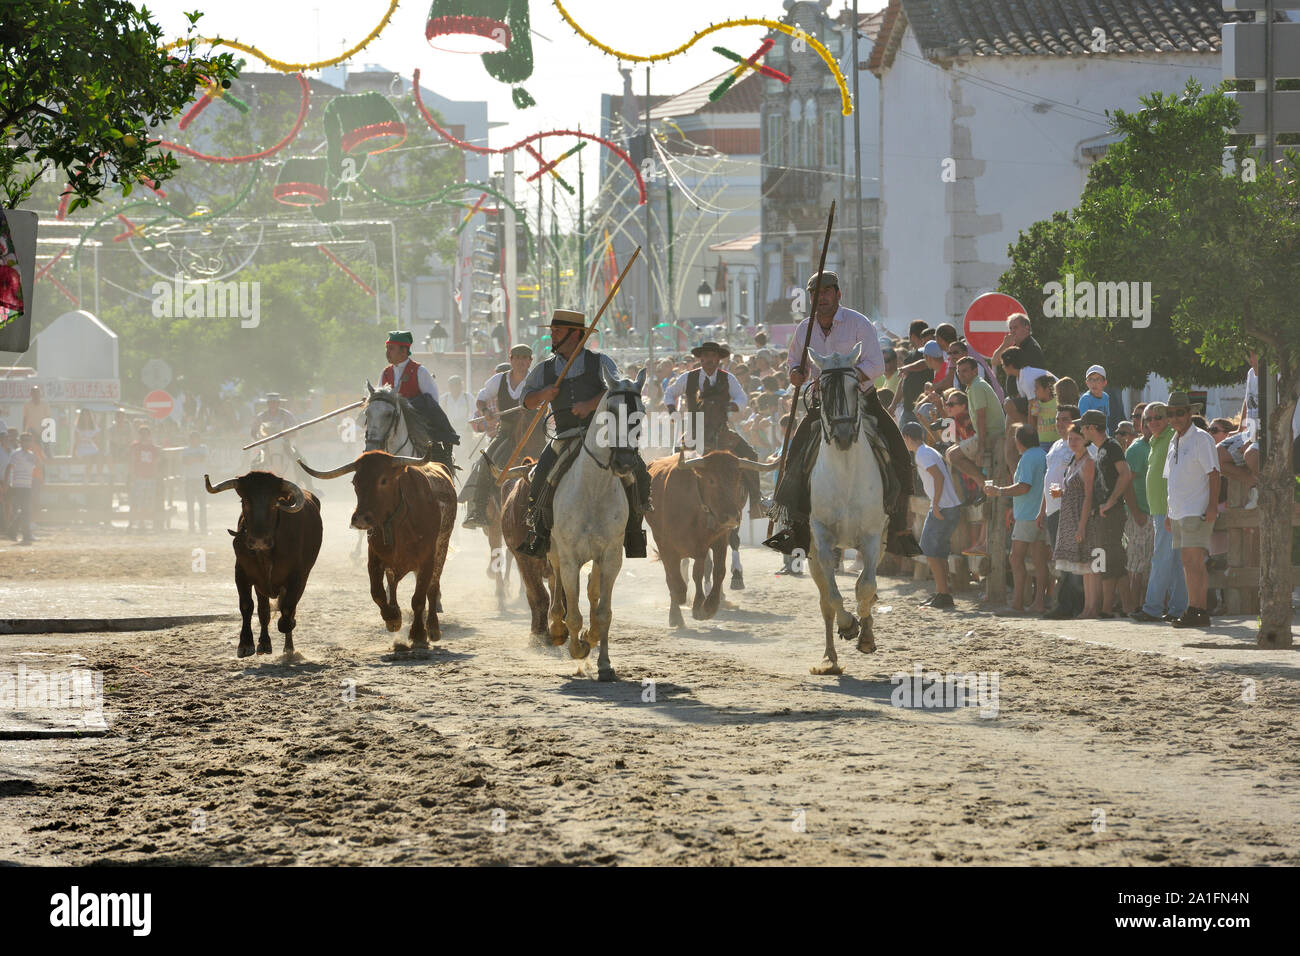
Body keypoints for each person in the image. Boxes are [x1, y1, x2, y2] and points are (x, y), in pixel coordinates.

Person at [764, 271, 920, 559]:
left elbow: (875, 365)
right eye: (815, 294)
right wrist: (795, 375)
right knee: (795, 455)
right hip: (822, 404)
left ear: (838, 294)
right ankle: (796, 529)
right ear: (810, 298)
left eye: (826, 292)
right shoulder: (804, 329)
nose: (821, 298)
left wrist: (844, 380)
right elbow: (794, 365)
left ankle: (899, 528)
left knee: (897, 449)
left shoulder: (858, 323)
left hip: (861, 399)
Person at [518, 310, 652, 559]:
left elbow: (619, 389)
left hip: (601, 435)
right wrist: (542, 395)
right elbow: (526, 400)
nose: (552, 335)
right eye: (552, 330)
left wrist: (590, 405)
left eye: (557, 331)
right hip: (564, 436)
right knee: (540, 477)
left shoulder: (601, 362)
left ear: (575, 334)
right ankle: (539, 533)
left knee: (639, 472)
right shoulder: (544, 369)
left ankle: (634, 531)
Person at [664, 340, 760, 589]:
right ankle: (664, 503)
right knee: (676, 463)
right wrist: (674, 413)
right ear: (700, 358)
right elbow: (669, 393)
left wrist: (731, 405)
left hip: (720, 429)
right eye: (705, 357)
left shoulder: (728, 378)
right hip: (694, 431)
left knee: (750, 455)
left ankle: (757, 502)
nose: (708, 360)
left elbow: (743, 398)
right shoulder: (688, 377)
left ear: (719, 359)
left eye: (713, 357)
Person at [1162, 392, 1220, 629]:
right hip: (1178, 511)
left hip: (1196, 509)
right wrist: (1168, 511)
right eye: (1171, 414)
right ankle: (1196, 609)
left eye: (1179, 412)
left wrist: (1212, 506)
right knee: (1189, 562)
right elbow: (1170, 478)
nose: (1175, 418)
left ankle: (1198, 609)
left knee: (1194, 561)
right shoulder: (1173, 440)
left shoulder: (1201, 439)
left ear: (1189, 413)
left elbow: (1214, 473)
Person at [463, 345, 535, 529]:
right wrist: (486, 411)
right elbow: (481, 399)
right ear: (510, 359)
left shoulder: (534, 380)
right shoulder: (499, 380)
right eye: (517, 357)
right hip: (506, 432)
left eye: (525, 358)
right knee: (486, 463)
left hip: (531, 432)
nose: (521, 361)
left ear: (530, 361)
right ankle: (477, 510)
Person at [1132, 402, 1187, 622]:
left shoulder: (1172, 439)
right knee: (1173, 562)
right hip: (1160, 510)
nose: (1153, 422)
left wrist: (1169, 509)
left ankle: (1152, 607)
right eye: (1148, 419)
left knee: (1161, 559)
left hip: (1168, 510)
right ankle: (1178, 608)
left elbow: (1174, 477)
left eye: (1158, 417)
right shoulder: (1156, 441)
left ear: (1167, 418)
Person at [987, 425, 1049, 613]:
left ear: (1018, 441)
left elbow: (1024, 487)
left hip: (1027, 515)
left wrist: (999, 491)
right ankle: (1039, 602)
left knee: (1016, 558)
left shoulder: (1028, 458)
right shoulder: (1044, 454)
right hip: (1041, 514)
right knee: (1040, 561)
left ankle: (1018, 602)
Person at [379, 330, 459, 467]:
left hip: (416, 424)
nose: (387, 352)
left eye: (391, 348)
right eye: (387, 348)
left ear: (404, 351)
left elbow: (432, 402)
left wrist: (411, 409)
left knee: (434, 451)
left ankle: (444, 464)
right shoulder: (385, 373)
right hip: (392, 424)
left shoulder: (420, 371)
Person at [904, 422, 961, 610]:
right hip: (948, 506)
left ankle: (943, 593)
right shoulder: (928, 451)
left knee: (929, 550)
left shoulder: (922, 453)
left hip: (942, 506)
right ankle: (942, 593)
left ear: (907, 438)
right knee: (939, 552)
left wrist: (935, 503)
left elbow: (938, 477)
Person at [1080, 408, 1131, 616]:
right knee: (1112, 561)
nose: (1081, 430)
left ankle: (1112, 607)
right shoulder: (1100, 449)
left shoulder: (1111, 446)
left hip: (1112, 513)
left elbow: (1125, 474)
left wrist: (1110, 502)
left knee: (1113, 560)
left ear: (1092, 428)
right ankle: (1116, 607)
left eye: (1083, 427)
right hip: (1104, 514)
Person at [1052, 422, 1101, 618]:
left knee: (1090, 565)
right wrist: (1061, 493)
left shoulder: (1088, 462)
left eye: (1077, 439)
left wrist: (1082, 525)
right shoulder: (1074, 461)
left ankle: (1092, 607)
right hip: (1070, 515)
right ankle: (1087, 607)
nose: (1072, 442)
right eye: (1070, 438)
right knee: (1083, 566)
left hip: (1083, 516)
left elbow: (1089, 494)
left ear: (1085, 440)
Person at [1040, 405, 1083, 619]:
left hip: (1068, 510)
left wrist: (1062, 498)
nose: (1059, 423)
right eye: (1057, 419)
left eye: (1065, 419)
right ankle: (1063, 603)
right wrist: (1042, 510)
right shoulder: (1056, 445)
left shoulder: (1078, 446)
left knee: (1070, 558)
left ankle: (1070, 605)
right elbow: (1049, 479)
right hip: (1052, 509)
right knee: (1060, 559)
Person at [944, 356, 1007, 489]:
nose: (961, 374)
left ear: (975, 371)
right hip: (989, 433)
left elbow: (981, 417)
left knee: (953, 456)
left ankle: (984, 485)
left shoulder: (977, 386)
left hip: (992, 434)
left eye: (965, 371)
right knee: (949, 453)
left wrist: (981, 447)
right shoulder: (974, 386)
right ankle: (983, 485)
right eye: (959, 371)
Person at [1117, 418, 1153, 616]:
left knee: (1145, 564)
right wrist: (1136, 512)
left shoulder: (1155, 446)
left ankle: (1141, 605)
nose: (1151, 426)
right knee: (1135, 565)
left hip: (1151, 512)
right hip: (1138, 513)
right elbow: (1126, 483)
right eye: (1146, 423)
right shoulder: (1137, 449)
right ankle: (1131, 607)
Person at [4, 432, 38, 545]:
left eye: (29, 440)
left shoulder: (32, 455)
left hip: (27, 485)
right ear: (20, 441)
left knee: (25, 510)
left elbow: (32, 470)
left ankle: (17, 532)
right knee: (23, 510)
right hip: (18, 485)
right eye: (25, 440)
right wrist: (6, 482)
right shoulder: (16, 454)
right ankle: (21, 533)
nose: (27, 442)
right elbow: (9, 467)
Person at [990, 312, 1046, 377]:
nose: (1012, 331)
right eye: (1010, 328)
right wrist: (1004, 345)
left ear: (1026, 327)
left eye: (1015, 327)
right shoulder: (1014, 346)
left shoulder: (1031, 347)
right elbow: (994, 362)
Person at [129, 424, 159, 532]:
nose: (144, 436)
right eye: (142, 434)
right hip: (139, 476)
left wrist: (155, 475)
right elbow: (132, 461)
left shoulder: (153, 448)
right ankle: (131, 523)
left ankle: (142, 523)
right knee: (136, 501)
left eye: (146, 434)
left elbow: (155, 463)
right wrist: (132, 475)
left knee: (147, 501)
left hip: (150, 477)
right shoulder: (135, 446)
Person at [181, 430, 209, 534]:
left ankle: (203, 526)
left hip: (200, 479)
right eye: (192, 438)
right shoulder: (185, 450)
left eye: (196, 438)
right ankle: (191, 526)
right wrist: (196, 458)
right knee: (190, 505)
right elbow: (185, 461)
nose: (194, 440)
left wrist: (192, 459)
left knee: (202, 505)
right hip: (190, 479)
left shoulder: (203, 448)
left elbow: (202, 459)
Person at [74, 408, 103, 482]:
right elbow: (76, 441)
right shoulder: (78, 428)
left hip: (92, 448)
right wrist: (74, 452)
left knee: (99, 456)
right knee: (89, 457)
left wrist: (93, 439)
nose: (86, 417)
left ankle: (99, 476)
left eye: (87, 415)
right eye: (84, 415)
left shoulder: (94, 427)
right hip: (82, 448)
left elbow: (98, 440)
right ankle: (87, 477)